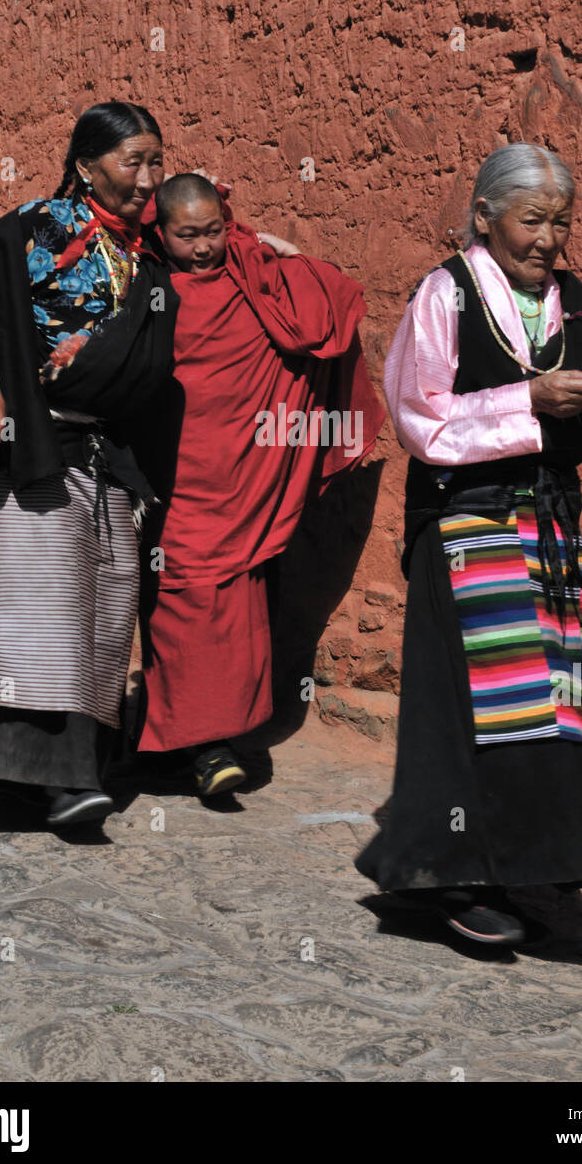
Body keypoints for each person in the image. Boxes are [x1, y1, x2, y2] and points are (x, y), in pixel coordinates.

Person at [356, 142, 582, 945]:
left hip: (547, 530)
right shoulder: (445, 293)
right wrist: (530, 399)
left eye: (560, 223)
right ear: (484, 217)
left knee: (560, 706)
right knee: (473, 707)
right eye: (531, 220)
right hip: (467, 527)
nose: (548, 239)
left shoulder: (572, 300)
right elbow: (419, 416)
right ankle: (452, 880)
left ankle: (547, 880)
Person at [0, 101, 178, 827]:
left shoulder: (144, 252)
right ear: (87, 165)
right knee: (47, 609)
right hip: (25, 441)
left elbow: (214, 246)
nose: (149, 178)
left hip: (101, 454)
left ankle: (40, 766)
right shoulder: (32, 229)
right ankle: (56, 777)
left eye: (157, 161)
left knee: (107, 602)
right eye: (134, 162)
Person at [137, 173, 386, 796]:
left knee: (231, 603)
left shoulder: (251, 270)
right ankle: (187, 737)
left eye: (213, 232)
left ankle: (212, 741)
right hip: (176, 474)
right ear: (160, 232)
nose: (203, 248)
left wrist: (284, 256)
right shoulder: (142, 285)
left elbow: (321, 314)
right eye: (187, 236)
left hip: (239, 473)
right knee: (175, 600)